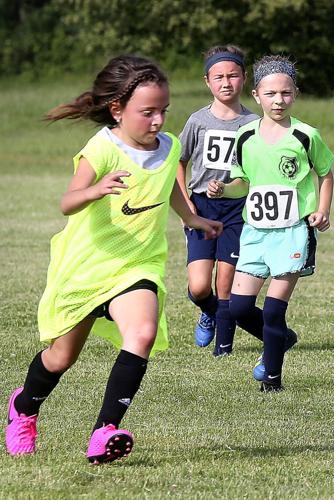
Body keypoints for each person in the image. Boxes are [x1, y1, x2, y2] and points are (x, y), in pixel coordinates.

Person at [5, 55, 223, 463]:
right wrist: (94, 189)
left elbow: (167, 188)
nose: (158, 120)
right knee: (60, 358)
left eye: (163, 110)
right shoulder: (102, 148)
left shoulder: (171, 145)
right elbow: (67, 202)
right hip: (87, 267)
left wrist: (192, 217)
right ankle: (24, 409)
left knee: (140, 333)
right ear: (117, 109)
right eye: (148, 112)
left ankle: (104, 432)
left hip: (137, 265)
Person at [207, 54, 334, 391]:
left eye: (286, 93)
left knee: (275, 311)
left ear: (295, 94)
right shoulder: (245, 136)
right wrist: (223, 190)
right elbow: (242, 184)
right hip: (255, 234)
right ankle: (282, 340)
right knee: (239, 308)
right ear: (256, 96)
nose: (279, 101)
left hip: (294, 233)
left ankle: (273, 381)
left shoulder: (307, 135)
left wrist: (322, 209)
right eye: (271, 94)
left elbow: (325, 172)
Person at [177, 45, 266, 356]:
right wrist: (185, 200)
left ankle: (223, 350)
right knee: (200, 287)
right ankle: (209, 312)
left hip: (237, 209)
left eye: (233, 75)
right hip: (201, 207)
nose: (226, 82)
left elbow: (256, 171)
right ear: (207, 81)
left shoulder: (255, 123)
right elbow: (179, 160)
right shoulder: (197, 121)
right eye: (219, 77)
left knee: (226, 283)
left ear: (244, 79)